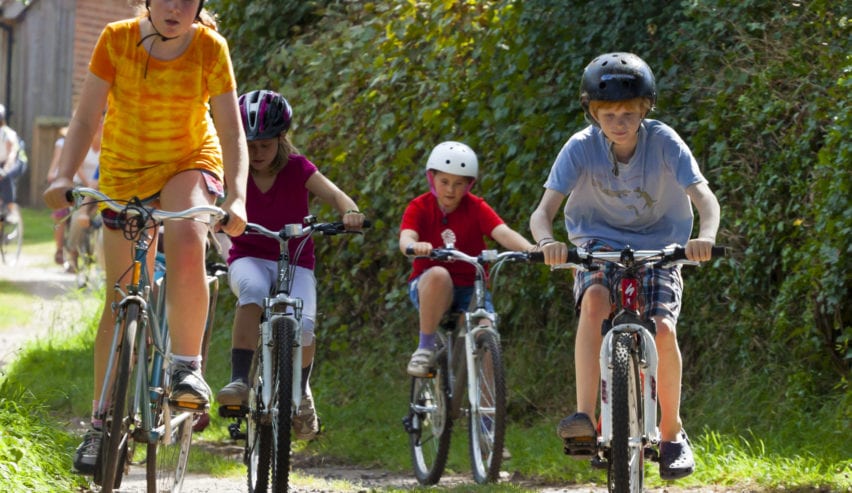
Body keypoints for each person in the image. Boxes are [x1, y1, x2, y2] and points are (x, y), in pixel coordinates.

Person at [42, 0, 248, 475]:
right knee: (121, 298)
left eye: (188, 0)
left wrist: (236, 198)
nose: (176, 8)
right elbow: (86, 116)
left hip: (188, 161)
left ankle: (185, 367)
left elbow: (231, 132)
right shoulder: (115, 40)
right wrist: (63, 174)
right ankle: (99, 425)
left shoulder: (210, 49)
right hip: (123, 172)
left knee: (184, 231)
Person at [528, 52, 721, 480]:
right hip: (597, 247)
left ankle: (672, 435)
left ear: (645, 110)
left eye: (629, 113)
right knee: (594, 300)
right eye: (608, 113)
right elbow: (542, 213)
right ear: (593, 113)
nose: (619, 121)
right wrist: (547, 242)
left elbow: (705, 199)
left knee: (663, 327)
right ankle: (582, 416)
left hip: (661, 248)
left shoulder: (666, 142)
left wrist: (704, 237)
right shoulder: (579, 148)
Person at [216, 89, 364, 441]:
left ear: (282, 138)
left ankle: (299, 393)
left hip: (295, 260)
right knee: (251, 291)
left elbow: (334, 194)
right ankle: (239, 379)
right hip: (248, 256)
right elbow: (213, 213)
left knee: (306, 325)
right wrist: (220, 238)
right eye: (249, 145)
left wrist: (350, 211)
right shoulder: (233, 170)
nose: (256, 153)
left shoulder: (298, 168)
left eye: (264, 144)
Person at [399, 141, 535, 377]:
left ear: (468, 185)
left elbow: (502, 232)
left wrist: (531, 248)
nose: (450, 190)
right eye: (444, 182)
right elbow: (406, 236)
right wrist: (413, 245)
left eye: (458, 184)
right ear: (432, 179)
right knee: (440, 275)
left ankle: (487, 412)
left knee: (487, 334)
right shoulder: (420, 206)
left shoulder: (476, 207)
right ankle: (425, 347)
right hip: (430, 285)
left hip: (470, 289)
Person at [47, 118, 102, 272]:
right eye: (97, 123)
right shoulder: (82, 144)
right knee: (75, 214)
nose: (99, 127)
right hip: (80, 186)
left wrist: (95, 185)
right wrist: (88, 184)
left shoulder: (107, 145)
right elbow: (77, 167)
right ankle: (70, 251)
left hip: (101, 186)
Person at [0, 104, 24, 224]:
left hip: (16, 161)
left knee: (6, 176)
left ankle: (11, 209)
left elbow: (11, 154)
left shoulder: (7, 133)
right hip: (1, 161)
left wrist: (5, 169)